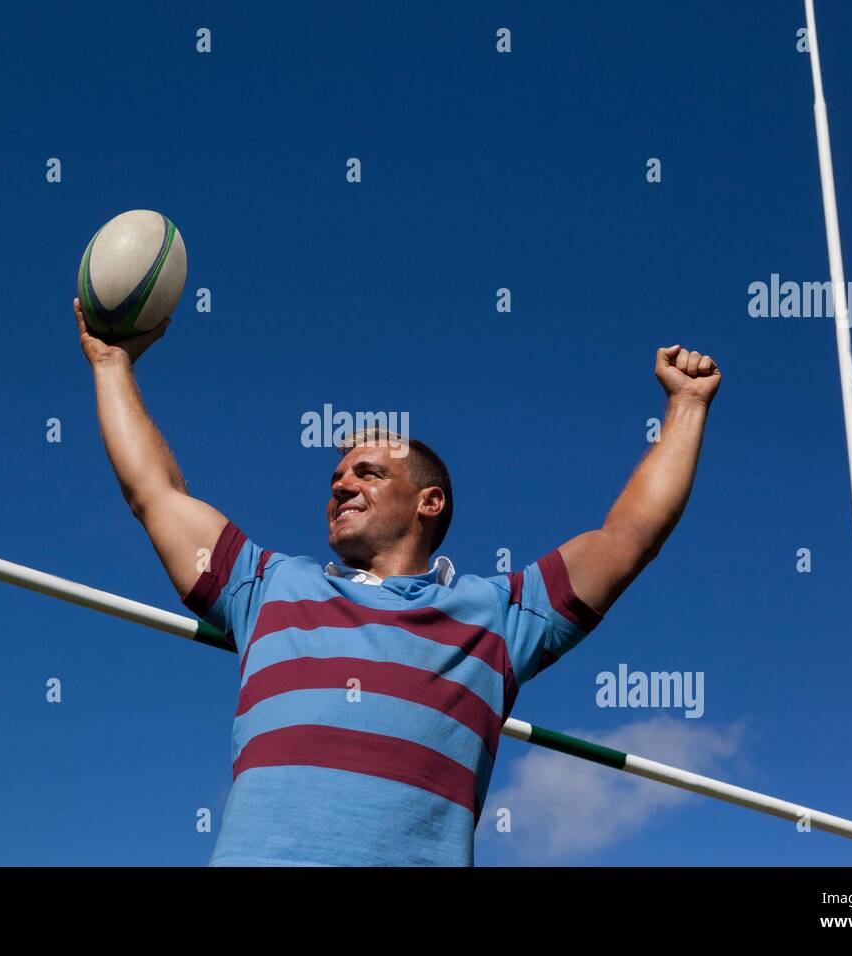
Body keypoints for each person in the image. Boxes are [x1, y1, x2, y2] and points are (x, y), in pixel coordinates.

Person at [74, 299, 721, 865]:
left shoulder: (499, 617)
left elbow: (627, 539)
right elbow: (155, 494)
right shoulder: (267, 587)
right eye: (337, 478)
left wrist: (687, 406)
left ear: (429, 502)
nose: (340, 484)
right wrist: (111, 365)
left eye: (368, 473)